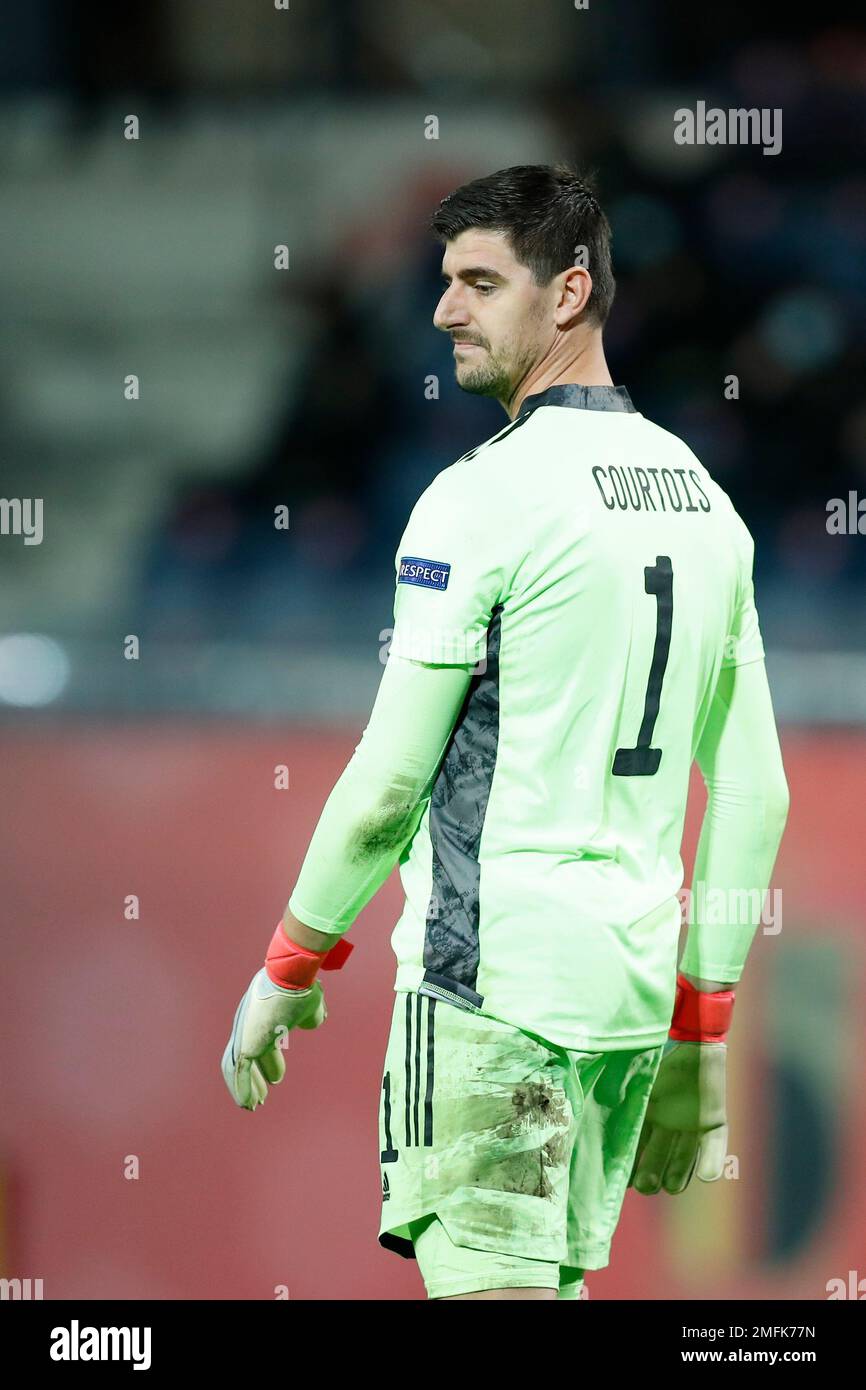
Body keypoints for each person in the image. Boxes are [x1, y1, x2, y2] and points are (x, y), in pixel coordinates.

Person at [222, 164, 790, 1301]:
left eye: (480, 283)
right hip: (625, 1016)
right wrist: (700, 1028)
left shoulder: (478, 498)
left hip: (496, 1002)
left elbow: (389, 782)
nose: (443, 311)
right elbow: (752, 789)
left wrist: (291, 960)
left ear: (568, 292)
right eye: (445, 282)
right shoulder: (703, 500)